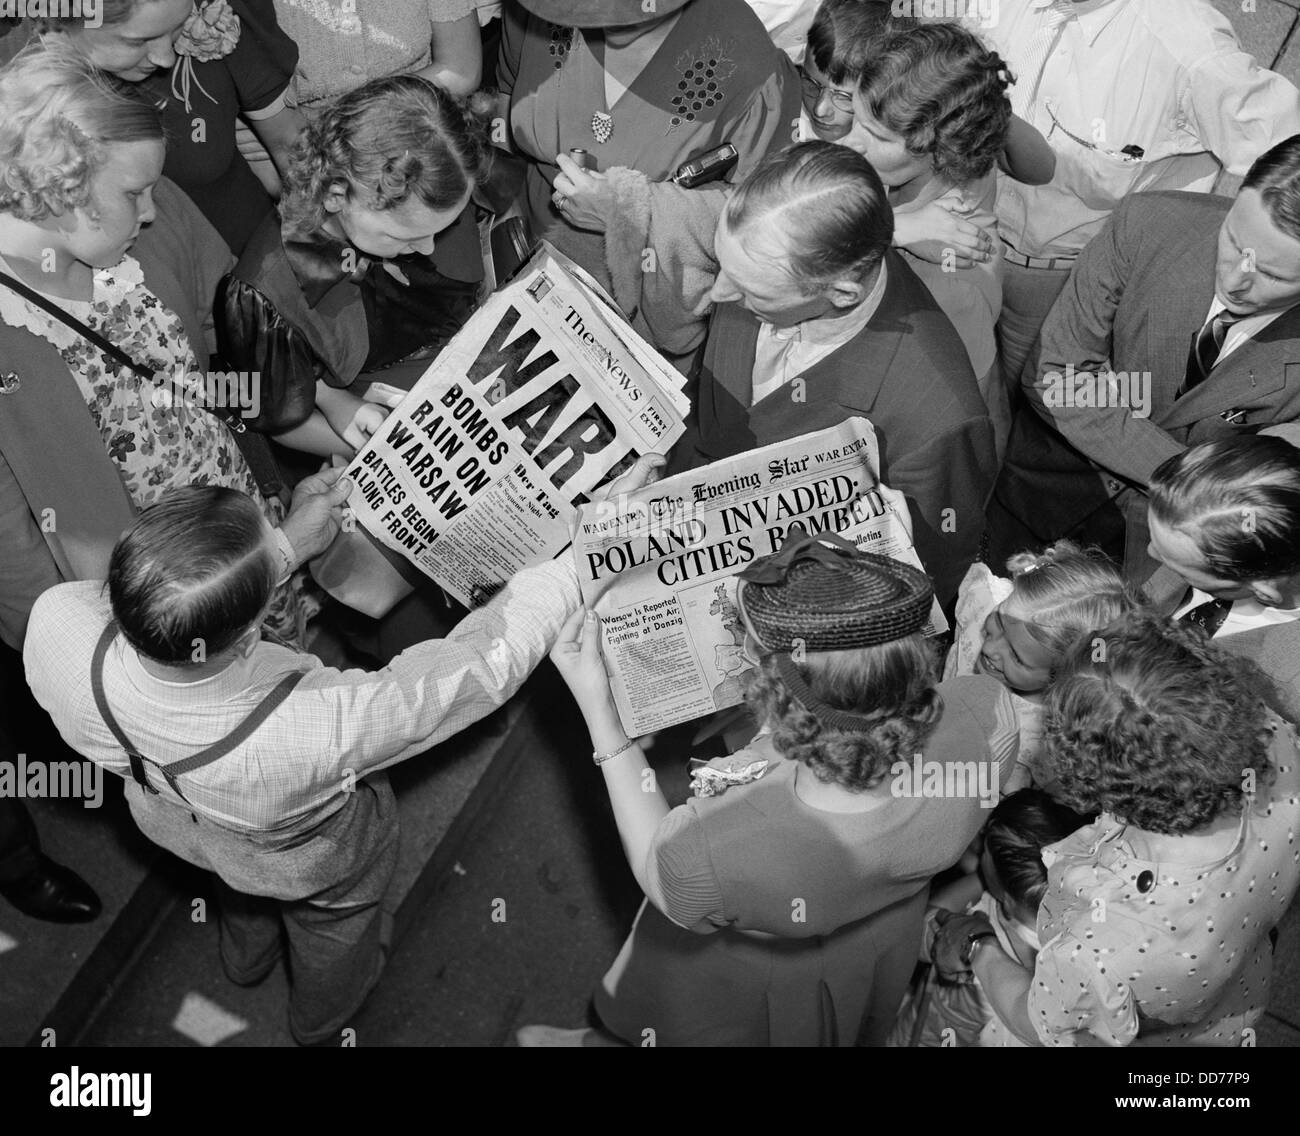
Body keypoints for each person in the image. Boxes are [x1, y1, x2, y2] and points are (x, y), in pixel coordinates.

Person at [21, 454, 660, 1046]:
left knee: (229, 882)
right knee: (336, 930)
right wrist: (582, 561)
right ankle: (320, 1022)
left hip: (165, 818)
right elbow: (473, 669)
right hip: (307, 859)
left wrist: (285, 546)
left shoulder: (57, 622)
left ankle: (243, 957)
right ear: (248, 637)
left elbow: (162, 604)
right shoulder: (313, 728)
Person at [520, 527, 1020, 1046]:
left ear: (779, 699)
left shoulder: (712, 854)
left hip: (750, 972)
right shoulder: (984, 710)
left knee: (686, 1025)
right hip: (871, 945)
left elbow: (658, 868)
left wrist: (599, 710)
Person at [0, 41, 314, 651]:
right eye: (132, 194)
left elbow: (216, 359)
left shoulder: (138, 234)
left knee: (285, 677)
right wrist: (86, 655)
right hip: (151, 620)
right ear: (57, 187)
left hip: (240, 532)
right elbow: (12, 549)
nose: (151, 210)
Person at [933, 615, 1300, 1046]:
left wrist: (978, 944)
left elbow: (1044, 1026)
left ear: (1086, 781)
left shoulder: (1095, 948)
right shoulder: (1277, 742)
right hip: (1235, 999)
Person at [669, 142, 996, 610]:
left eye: (748, 290)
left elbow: (920, 585)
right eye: (724, 267)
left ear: (842, 294)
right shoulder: (761, 265)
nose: (717, 294)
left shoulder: (937, 416)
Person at [988, 134, 1300, 580]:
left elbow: (1282, 487)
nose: (1235, 280)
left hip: (1159, 563)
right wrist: (1197, 486)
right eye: (1233, 240)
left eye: (1271, 273)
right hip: (1040, 496)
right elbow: (1054, 378)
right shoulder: (1148, 221)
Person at [977, 0, 1300, 401]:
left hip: (1064, 284)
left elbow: (1289, 150)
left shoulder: (1191, 50)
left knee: (1023, 410)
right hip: (958, 244)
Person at [216, 74, 494, 457]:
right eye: (403, 238)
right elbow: (281, 420)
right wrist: (392, 449)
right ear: (336, 195)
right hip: (394, 435)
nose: (428, 246)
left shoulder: (430, 201)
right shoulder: (267, 290)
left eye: (444, 228)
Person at [496, 0, 801, 260]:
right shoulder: (545, 9)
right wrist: (501, 201)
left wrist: (632, 214)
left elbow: (762, 224)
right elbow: (507, 89)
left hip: (643, 297)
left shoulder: (752, 72)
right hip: (520, 244)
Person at [6, 0, 306, 256]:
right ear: (63, 21)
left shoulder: (218, 15)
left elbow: (291, 145)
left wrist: (313, 265)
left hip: (254, 263)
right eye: (137, 41)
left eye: (178, 25)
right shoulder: (13, 92)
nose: (166, 57)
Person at [845, 21, 1015, 451]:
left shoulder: (951, 280)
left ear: (942, 146)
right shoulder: (935, 165)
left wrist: (887, 231)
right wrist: (896, 228)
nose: (851, 142)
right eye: (857, 118)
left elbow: (958, 409)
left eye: (878, 135)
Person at [888, 788, 1087, 1047]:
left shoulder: (984, 938)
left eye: (985, 852)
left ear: (1007, 894)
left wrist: (983, 882)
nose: (979, 851)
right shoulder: (1084, 931)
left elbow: (919, 928)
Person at [944, 541, 1140, 787]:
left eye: (1017, 657)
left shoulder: (1043, 745)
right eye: (998, 622)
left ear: (1062, 678)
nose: (989, 648)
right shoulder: (982, 597)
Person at [1144, 434, 1300, 723]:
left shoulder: (1291, 683)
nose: (1150, 552)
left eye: (1178, 567)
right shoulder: (1195, 535)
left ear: (1263, 590)